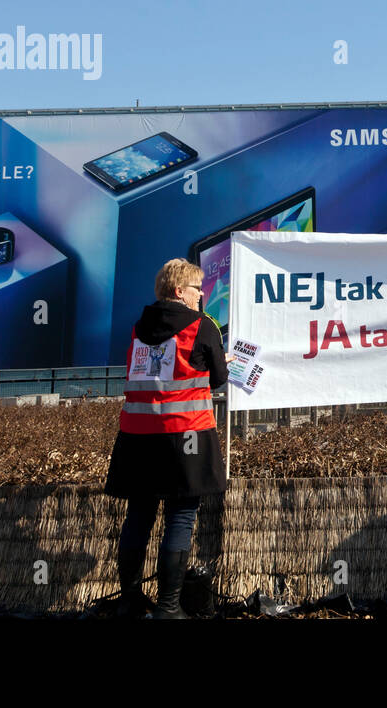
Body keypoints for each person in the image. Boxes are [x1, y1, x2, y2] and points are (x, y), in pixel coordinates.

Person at [105, 258, 229, 618]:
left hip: (137, 436)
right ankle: (168, 607)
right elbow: (218, 377)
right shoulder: (203, 327)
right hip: (186, 437)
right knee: (180, 516)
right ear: (180, 291)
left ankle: (129, 603)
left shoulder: (137, 327)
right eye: (196, 289)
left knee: (139, 515)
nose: (201, 295)